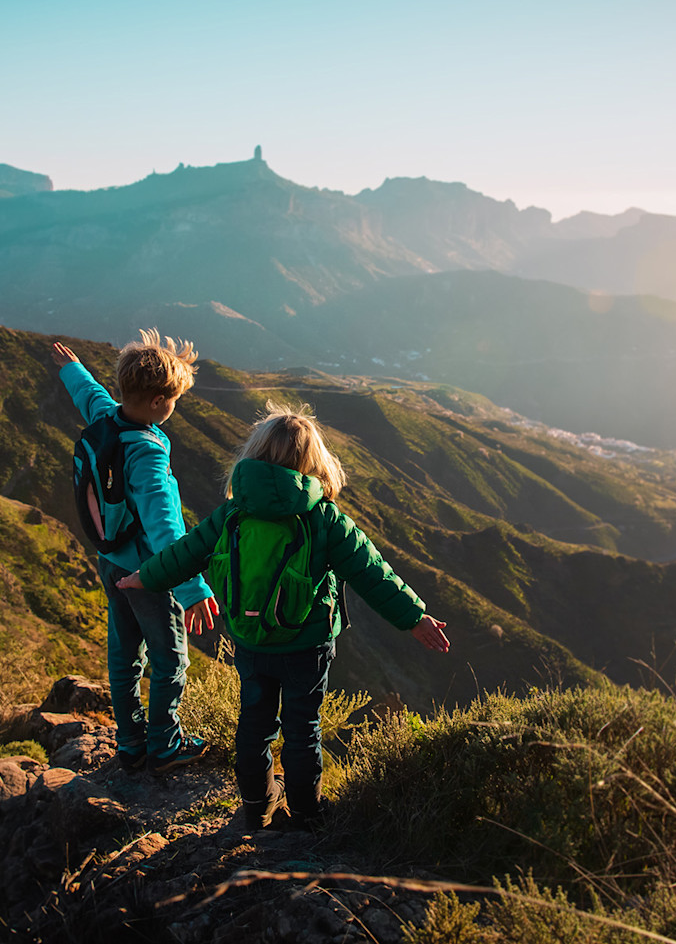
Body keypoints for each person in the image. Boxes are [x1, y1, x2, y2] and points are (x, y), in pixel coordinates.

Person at [117, 401, 450, 830]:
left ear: (254, 454)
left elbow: (185, 554)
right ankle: (308, 812)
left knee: (254, 724)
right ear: (315, 462)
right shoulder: (324, 519)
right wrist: (415, 618)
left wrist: (142, 577)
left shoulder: (233, 514)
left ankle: (257, 804)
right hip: (306, 645)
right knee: (302, 727)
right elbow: (372, 573)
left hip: (250, 640)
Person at [52, 332, 219, 776]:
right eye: (174, 400)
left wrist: (72, 369)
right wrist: (192, 588)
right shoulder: (146, 452)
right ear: (159, 401)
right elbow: (165, 528)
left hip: (110, 563)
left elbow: (90, 395)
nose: (174, 407)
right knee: (170, 660)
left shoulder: (109, 417)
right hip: (149, 575)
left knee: (124, 657)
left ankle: (130, 743)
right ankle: (164, 746)